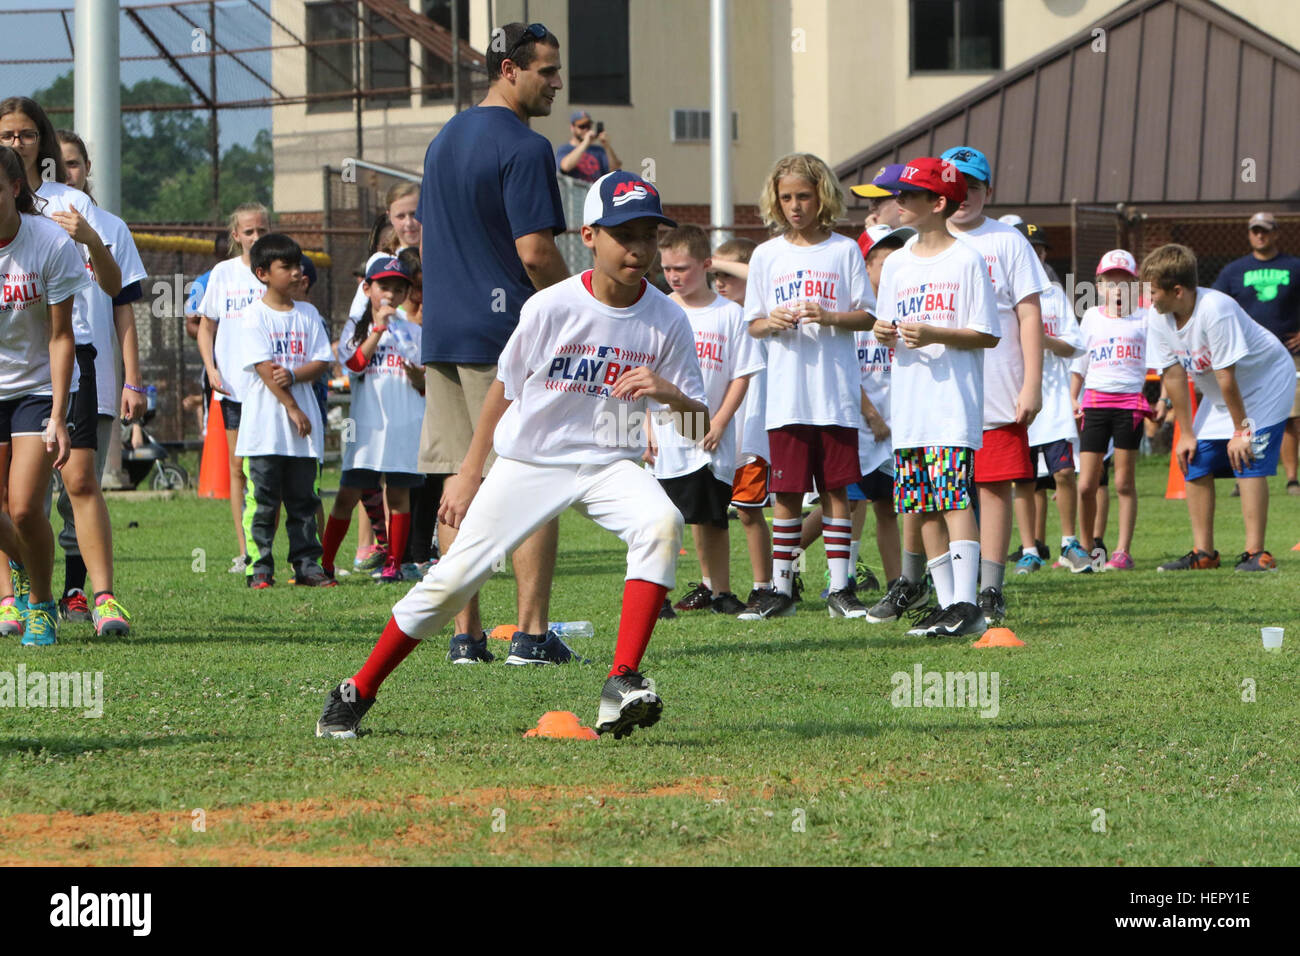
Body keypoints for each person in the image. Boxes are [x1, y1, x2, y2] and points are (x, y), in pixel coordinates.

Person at [316, 171, 706, 738]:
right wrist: (470, 471)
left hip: (609, 463)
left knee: (663, 522)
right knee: (452, 582)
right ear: (590, 235)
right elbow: (504, 385)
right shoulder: (551, 306)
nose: (639, 247)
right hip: (530, 461)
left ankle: (622, 680)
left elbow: (697, 428)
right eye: (625, 234)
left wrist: (667, 392)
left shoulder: (667, 316)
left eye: (649, 233)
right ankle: (358, 689)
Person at [416, 21, 569, 664]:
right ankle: (531, 637)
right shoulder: (525, 146)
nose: (556, 84)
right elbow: (535, 254)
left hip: (445, 332)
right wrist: (579, 301)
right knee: (535, 477)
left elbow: (427, 241)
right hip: (505, 335)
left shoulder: (444, 138)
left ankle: (464, 635)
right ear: (509, 70)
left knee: (460, 479)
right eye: (546, 72)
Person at [738, 153, 875, 621]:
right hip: (786, 395)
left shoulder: (843, 250)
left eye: (803, 196)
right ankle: (780, 588)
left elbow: (868, 314)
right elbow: (751, 323)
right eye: (786, 197)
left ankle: (840, 587)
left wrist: (831, 316)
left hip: (834, 393)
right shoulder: (766, 254)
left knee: (836, 488)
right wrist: (769, 321)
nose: (795, 206)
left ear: (823, 196)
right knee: (788, 492)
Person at [870, 158, 999, 637]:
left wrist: (934, 332)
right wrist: (884, 331)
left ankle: (968, 603)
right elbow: (888, 329)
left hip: (949, 405)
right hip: (910, 407)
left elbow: (987, 334)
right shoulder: (898, 261)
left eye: (907, 196)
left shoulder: (965, 259)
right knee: (920, 505)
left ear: (938, 203)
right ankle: (947, 606)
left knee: (952, 499)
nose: (897, 203)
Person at [939, 146, 1048, 627]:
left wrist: (1033, 384)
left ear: (989, 192)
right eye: (954, 186)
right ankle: (946, 590)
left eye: (974, 187)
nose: (964, 196)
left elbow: (1029, 315)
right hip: (939, 391)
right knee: (942, 492)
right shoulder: (923, 240)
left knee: (993, 487)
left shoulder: (1007, 241)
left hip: (998, 387)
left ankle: (990, 589)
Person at [1144, 244, 1294, 573]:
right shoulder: (1158, 318)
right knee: (1195, 457)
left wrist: (1241, 431)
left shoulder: (1216, 309)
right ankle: (1204, 554)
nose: (1149, 297)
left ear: (1178, 291)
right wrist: (1186, 433)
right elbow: (1173, 375)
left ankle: (1257, 553)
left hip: (1266, 382)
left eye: (1153, 291)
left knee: (1249, 454)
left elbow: (1227, 376)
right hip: (1224, 393)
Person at [51, 129, 148, 635]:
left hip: (95, 375)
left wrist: (134, 380)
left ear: (87, 168)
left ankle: (77, 591)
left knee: (77, 489)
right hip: (38, 372)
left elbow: (123, 308)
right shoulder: (31, 225)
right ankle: (28, 593)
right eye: (57, 165)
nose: (66, 174)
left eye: (73, 164)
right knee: (25, 494)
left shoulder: (110, 228)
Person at [654, 224, 763, 615]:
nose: (674, 276)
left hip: (712, 438)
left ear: (706, 264)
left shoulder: (730, 314)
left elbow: (742, 373)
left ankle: (721, 592)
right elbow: (646, 373)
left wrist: (719, 421)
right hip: (668, 437)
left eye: (681, 267)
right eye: (667, 269)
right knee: (663, 521)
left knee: (714, 519)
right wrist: (648, 428)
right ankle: (657, 596)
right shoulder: (659, 310)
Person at [0, 146, 83, 645]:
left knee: (26, 508)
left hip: (34, 387)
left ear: (13, 188)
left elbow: (61, 336)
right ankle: (30, 569)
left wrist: (57, 414)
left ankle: (42, 605)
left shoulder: (49, 242)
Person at [235, 234, 335, 589]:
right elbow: (263, 367)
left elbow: (323, 360)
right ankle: (259, 567)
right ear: (262, 273)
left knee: (304, 500)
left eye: (298, 266)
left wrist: (293, 373)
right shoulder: (252, 316)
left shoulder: (309, 315)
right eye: (287, 267)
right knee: (261, 501)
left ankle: (307, 564)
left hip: (303, 432)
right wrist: (292, 406)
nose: (297, 273)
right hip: (266, 428)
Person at [320, 257, 425, 584]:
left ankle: (393, 565)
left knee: (398, 496)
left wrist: (418, 377)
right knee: (348, 494)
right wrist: (378, 328)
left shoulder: (413, 330)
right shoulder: (357, 327)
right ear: (367, 288)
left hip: (403, 424)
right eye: (383, 287)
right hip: (366, 427)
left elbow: (426, 384)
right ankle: (323, 563)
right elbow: (353, 365)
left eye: (398, 288)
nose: (390, 295)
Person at [1010, 222, 1091, 575]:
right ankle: (1030, 549)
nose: (1036, 254)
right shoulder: (1004, 292)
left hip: (1054, 401)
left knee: (1063, 473)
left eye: (1041, 249)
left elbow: (1073, 346)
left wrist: (1044, 340)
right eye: (1030, 248)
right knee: (1023, 479)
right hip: (1016, 399)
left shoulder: (1055, 294)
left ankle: (1069, 543)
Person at [196, 202, 270, 573]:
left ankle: (282, 548)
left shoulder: (275, 271)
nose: (256, 237)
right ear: (236, 235)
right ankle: (246, 551)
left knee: (272, 469)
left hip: (271, 386)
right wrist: (211, 368)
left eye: (262, 230)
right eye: (249, 231)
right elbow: (206, 326)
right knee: (238, 467)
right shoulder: (223, 274)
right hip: (233, 388)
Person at [1070, 250, 1150, 572]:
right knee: (1087, 483)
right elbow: (1079, 363)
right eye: (1110, 283)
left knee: (1123, 483)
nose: (1118, 290)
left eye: (1125, 283)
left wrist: (1160, 400)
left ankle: (1121, 552)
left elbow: (1159, 360)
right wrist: (1072, 397)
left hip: (1129, 405)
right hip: (1095, 405)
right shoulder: (1090, 317)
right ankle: (1087, 549)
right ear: (1099, 286)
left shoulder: (1146, 319)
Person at [1211, 211, 1300, 495]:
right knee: (1244, 415)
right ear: (1249, 234)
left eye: (1265, 230)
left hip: (1287, 354)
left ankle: (1292, 479)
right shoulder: (1233, 271)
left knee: (1291, 416)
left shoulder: (1294, 266)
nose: (1260, 235)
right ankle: (1243, 476)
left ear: (1276, 233)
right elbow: (1215, 305)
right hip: (1246, 358)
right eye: (1255, 230)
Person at [708, 237, 774, 612]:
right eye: (714, 275)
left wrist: (708, 258)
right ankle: (712, 586)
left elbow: (756, 274)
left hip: (749, 429)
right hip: (712, 429)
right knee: (708, 511)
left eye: (726, 274)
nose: (720, 282)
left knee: (749, 510)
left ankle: (764, 586)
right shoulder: (713, 313)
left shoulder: (757, 310)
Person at [556, 110, 622, 183]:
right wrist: (586, 143)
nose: (586, 129)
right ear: (572, 128)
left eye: (588, 126)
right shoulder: (565, 149)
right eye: (582, 126)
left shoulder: (599, 150)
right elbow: (565, 167)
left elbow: (616, 171)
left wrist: (607, 146)